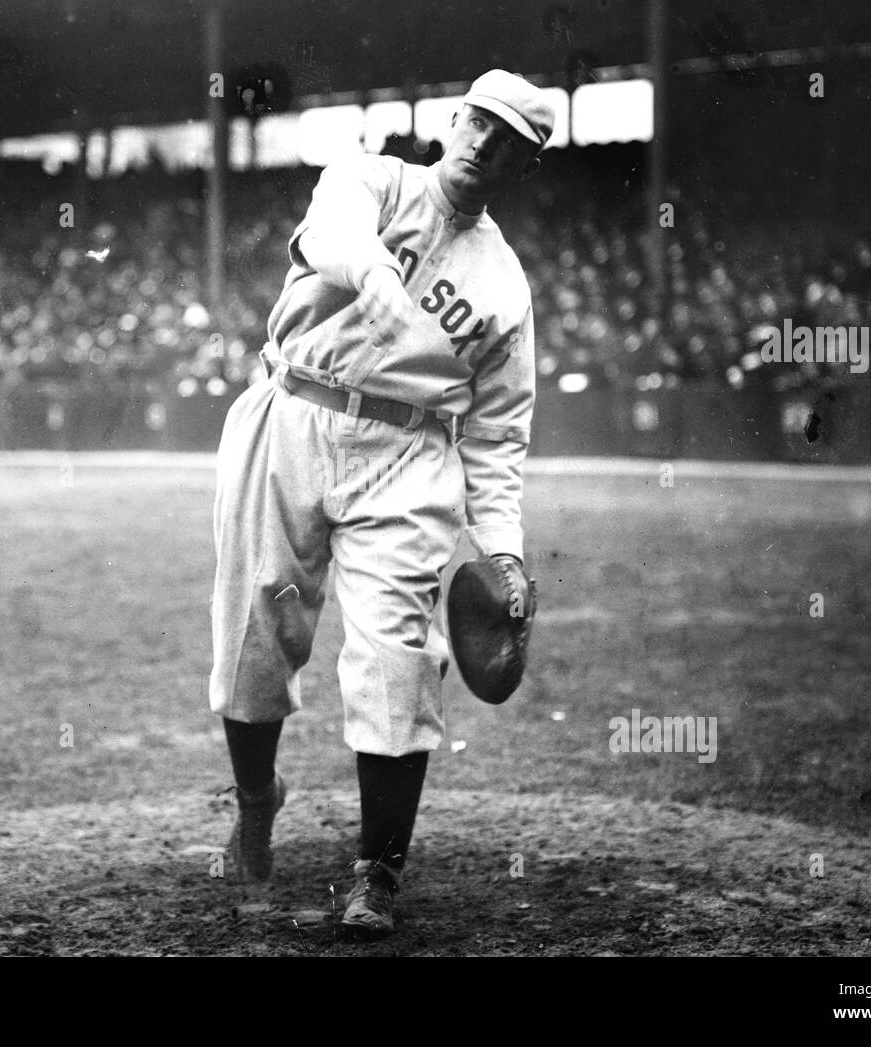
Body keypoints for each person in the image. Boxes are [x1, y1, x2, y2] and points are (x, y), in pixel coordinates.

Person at [209, 70, 551, 939]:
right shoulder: (371, 178)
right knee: (256, 634)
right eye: (480, 123)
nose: (485, 144)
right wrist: (381, 284)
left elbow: (500, 435)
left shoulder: (506, 288)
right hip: (293, 411)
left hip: (409, 455)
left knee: (399, 656)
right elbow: (332, 233)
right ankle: (257, 798)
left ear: (522, 164)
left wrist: (504, 551)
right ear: (452, 120)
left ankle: (378, 872)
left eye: (509, 141)